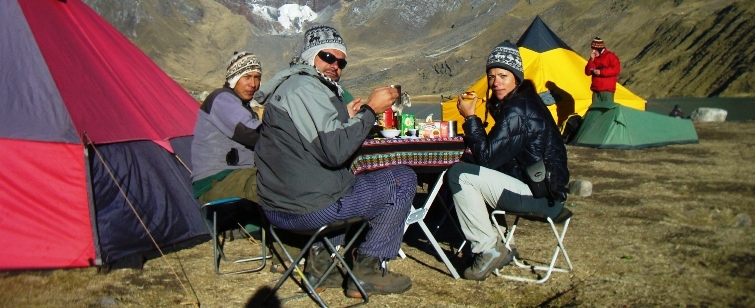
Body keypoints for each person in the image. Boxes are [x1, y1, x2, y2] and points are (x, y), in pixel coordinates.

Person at [254, 25, 416, 298]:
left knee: (346, 182)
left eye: (341, 62)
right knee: (402, 179)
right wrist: (370, 111)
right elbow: (334, 152)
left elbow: (313, 141)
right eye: (327, 57)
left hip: (277, 208)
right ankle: (368, 270)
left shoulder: (295, 86)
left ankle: (321, 266)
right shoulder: (307, 87)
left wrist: (344, 116)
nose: (335, 66)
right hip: (306, 209)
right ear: (310, 57)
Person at [447, 40, 570, 281]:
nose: (495, 83)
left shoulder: (517, 110)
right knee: (472, 170)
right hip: (543, 188)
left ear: (517, 78)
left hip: (541, 196)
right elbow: (495, 155)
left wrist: (470, 117)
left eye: (503, 76)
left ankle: (488, 248)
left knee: (459, 174)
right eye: (491, 77)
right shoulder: (522, 103)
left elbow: (487, 158)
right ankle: (500, 241)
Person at [191, 51, 263, 204]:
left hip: (240, 175)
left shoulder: (244, 107)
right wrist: (283, 130)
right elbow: (250, 132)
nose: (253, 84)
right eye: (247, 77)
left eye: (257, 78)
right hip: (217, 179)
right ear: (234, 78)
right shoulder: (222, 99)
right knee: (275, 185)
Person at [584, 37, 621, 104]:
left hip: (607, 90)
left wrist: (601, 72)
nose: (593, 51)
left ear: (599, 49)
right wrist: (591, 60)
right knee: (595, 110)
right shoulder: (594, 58)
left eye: (594, 49)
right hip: (596, 90)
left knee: (607, 110)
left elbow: (616, 69)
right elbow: (587, 72)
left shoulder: (610, 56)